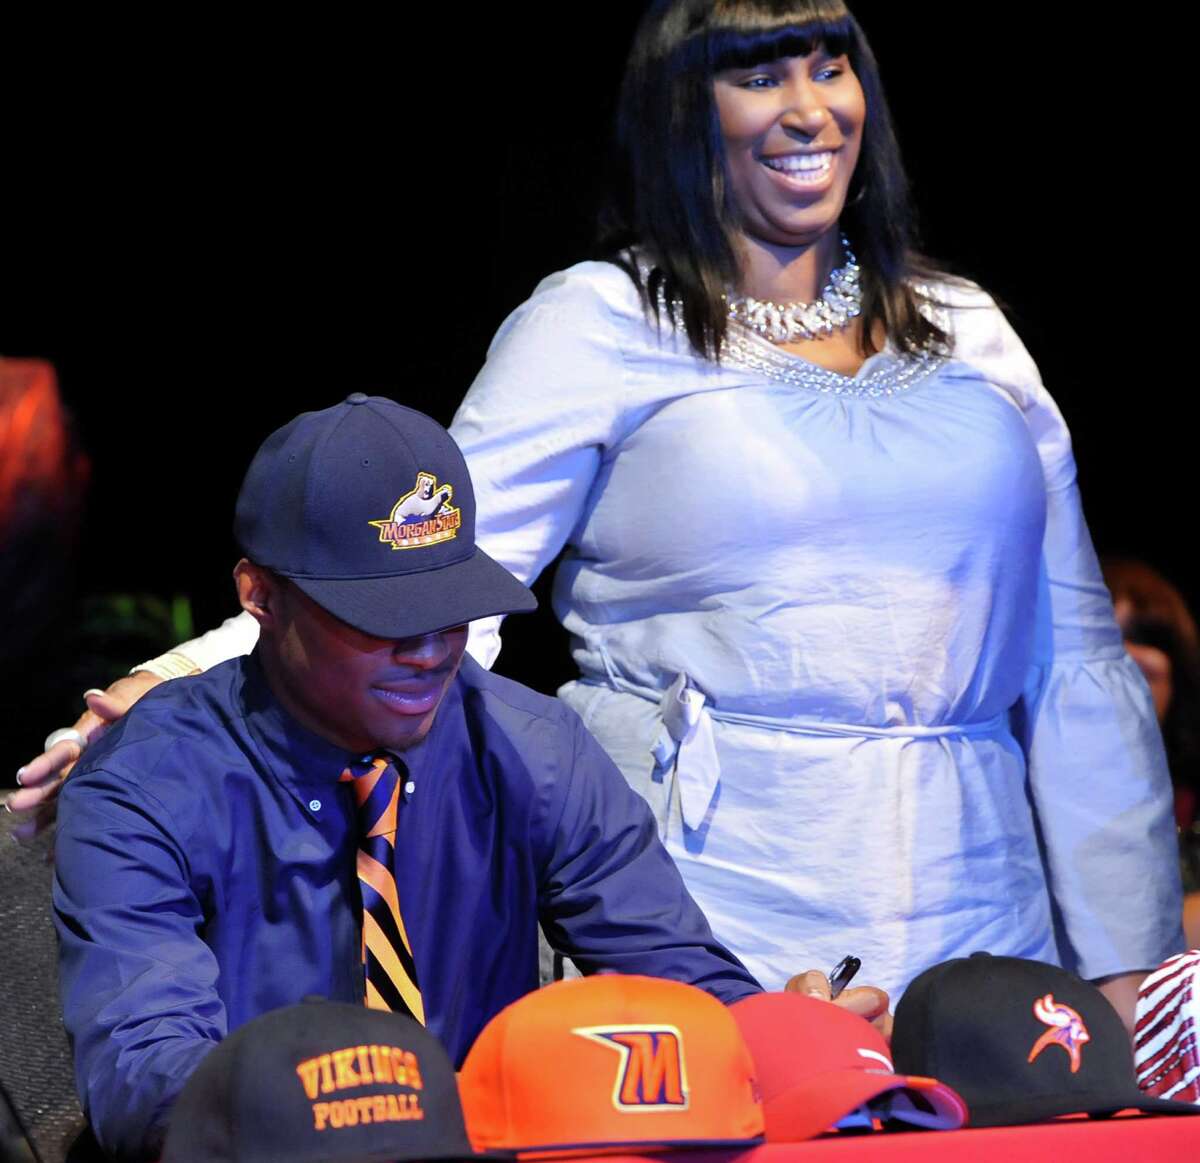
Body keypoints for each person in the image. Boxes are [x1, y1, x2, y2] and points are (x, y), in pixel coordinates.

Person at [17, 0, 1182, 1028]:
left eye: (829, 66)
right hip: (722, 901)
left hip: (984, 906)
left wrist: (1130, 960)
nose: (807, 109)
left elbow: (1075, 662)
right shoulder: (601, 321)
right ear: (683, 109)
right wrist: (170, 694)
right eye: (759, 73)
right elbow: (430, 581)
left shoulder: (967, 327)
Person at [53, 396, 797, 1162]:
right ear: (260, 596)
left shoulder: (533, 747)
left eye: (450, 607)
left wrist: (789, 1043)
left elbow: (688, 989)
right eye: (383, 616)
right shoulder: (143, 784)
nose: (431, 649)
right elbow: (142, 1078)